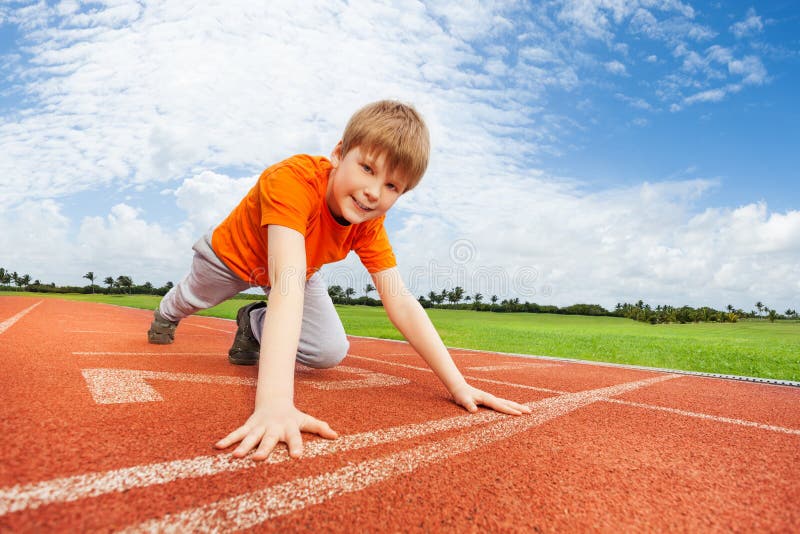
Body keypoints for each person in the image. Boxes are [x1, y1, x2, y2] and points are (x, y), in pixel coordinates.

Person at [147, 100, 532, 461]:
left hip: (298, 271)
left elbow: (399, 301)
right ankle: (166, 313)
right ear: (338, 153)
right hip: (233, 257)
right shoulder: (292, 179)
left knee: (329, 350)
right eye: (367, 168)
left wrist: (459, 385)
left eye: (392, 186)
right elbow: (286, 281)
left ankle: (252, 322)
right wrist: (275, 405)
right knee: (190, 299)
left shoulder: (369, 225)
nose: (372, 192)